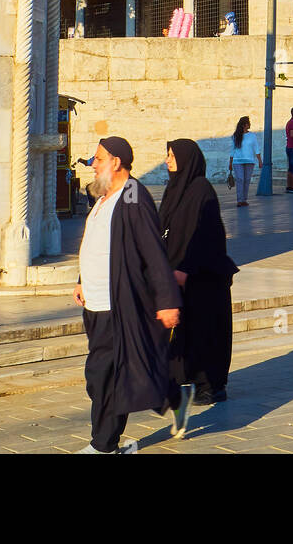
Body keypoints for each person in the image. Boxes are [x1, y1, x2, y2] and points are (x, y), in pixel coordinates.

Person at [72, 136, 182, 453]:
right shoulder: (105, 196)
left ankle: (103, 446)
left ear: (116, 162)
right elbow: (96, 243)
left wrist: (167, 301)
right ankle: (174, 398)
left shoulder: (133, 195)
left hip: (117, 305)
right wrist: (82, 279)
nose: (92, 165)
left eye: (98, 159)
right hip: (94, 303)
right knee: (108, 374)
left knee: (104, 376)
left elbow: (154, 252)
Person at [160, 139, 239, 413]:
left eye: (172, 156)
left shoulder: (201, 190)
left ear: (187, 159)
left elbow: (207, 237)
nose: (168, 161)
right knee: (186, 332)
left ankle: (212, 386)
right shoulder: (173, 190)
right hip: (178, 276)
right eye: (167, 155)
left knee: (207, 331)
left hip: (204, 277)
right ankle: (188, 379)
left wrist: (187, 268)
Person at [228, 115, 261, 206]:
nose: (249, 124)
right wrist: (230, 162)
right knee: (240, 179)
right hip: (237, 161)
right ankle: (239, 200)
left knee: (246, 180)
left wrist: (260, 161)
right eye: (248, 123)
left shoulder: (252, 136)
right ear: (243, 125)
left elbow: (256, 148)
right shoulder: (236, 136)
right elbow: (233, 150)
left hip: (250, 161)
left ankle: (244, 200)